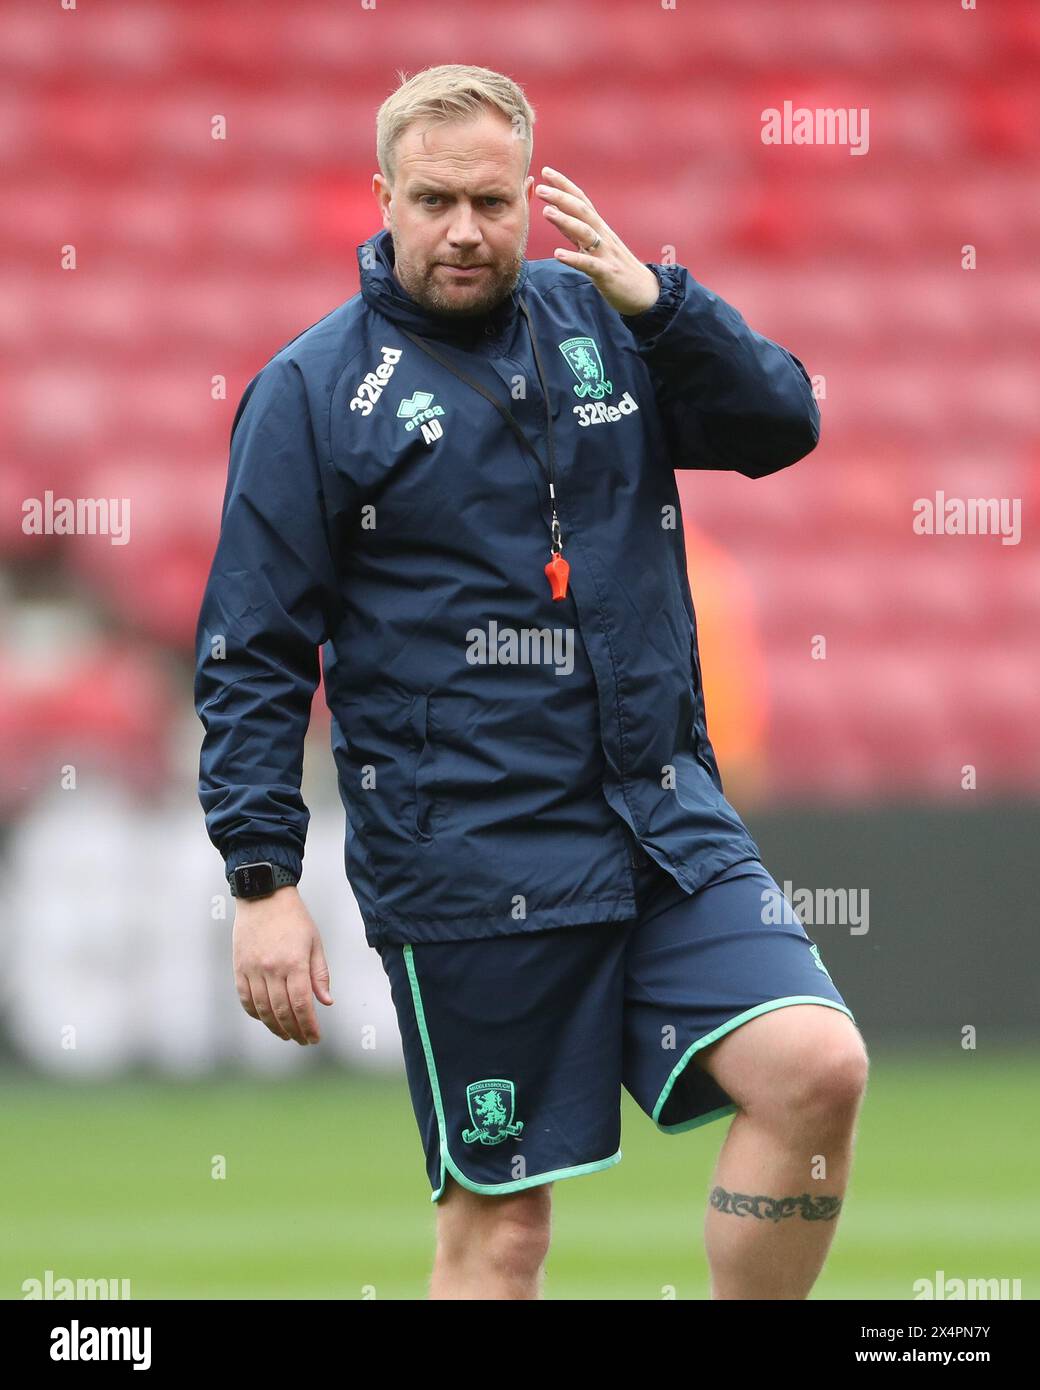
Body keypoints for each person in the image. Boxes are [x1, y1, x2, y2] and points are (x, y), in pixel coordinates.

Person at [194, 63, 868, 1300]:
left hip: (658, 818)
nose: (464, 230)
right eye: (435, 199)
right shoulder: (309, 393)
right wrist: (261, 880)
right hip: (469, 861)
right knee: (500, 1239)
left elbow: (782, 422)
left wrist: (664, 304)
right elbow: (252, 651)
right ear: (384, 197)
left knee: (814, 1067)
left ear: (530, 199)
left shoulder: (606, 322)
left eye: (493, 203)